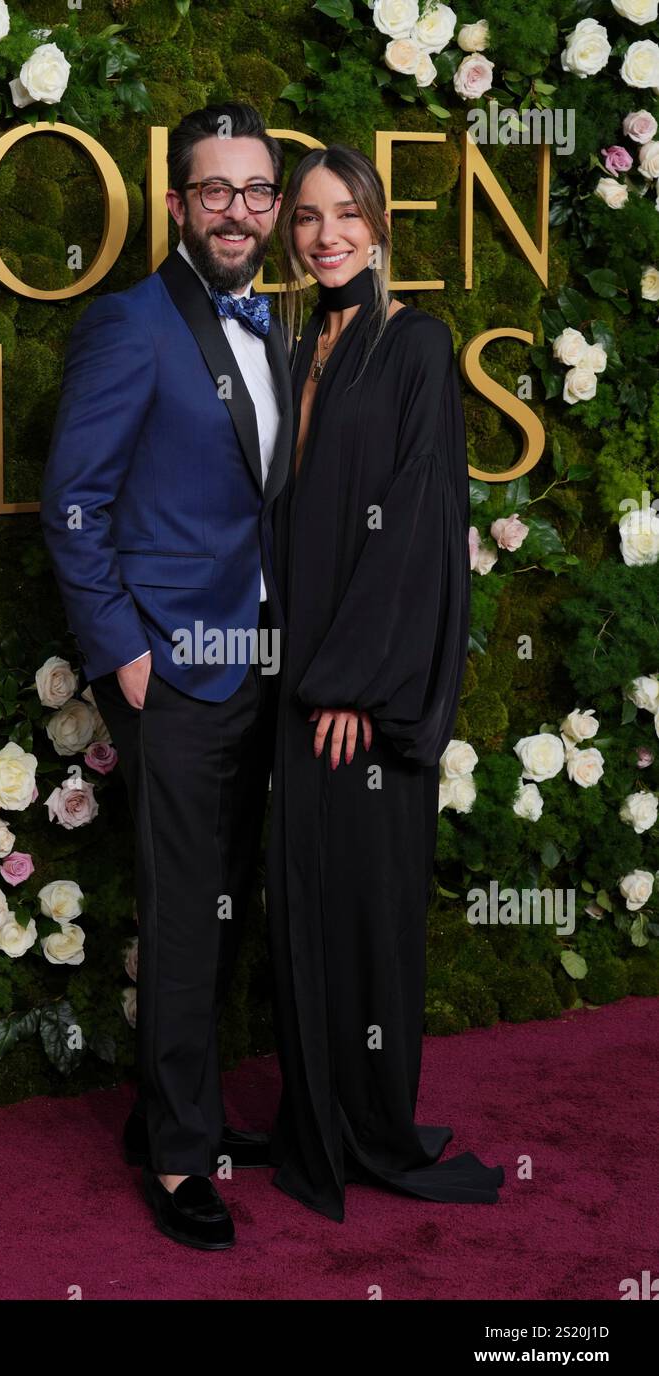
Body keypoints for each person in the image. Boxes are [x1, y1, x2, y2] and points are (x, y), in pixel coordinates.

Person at [40, 103, 293, 1251]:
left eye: (254, 191)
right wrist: (125, 656)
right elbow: (74, 503)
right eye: (213, 190)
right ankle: (187, 1158)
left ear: (272, 207)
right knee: (186, 915)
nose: (235, 211)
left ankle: (162, 1114)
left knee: (232, 901)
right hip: (172, 675)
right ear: (179, 201)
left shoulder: (284, 327)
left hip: (263, 665)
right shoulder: (130, 324)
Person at [265, 143, 505, 1221]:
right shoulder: (291, 344)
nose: (325, 236)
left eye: (344, 214)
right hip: (292, 677)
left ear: (377, 225)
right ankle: (317, 1113)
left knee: (365, 905)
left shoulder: (414, 343)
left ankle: (368, 1120)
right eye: (307, 217)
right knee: (303, 902)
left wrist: (357, 683)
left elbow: (416, 522)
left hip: (357, 692)